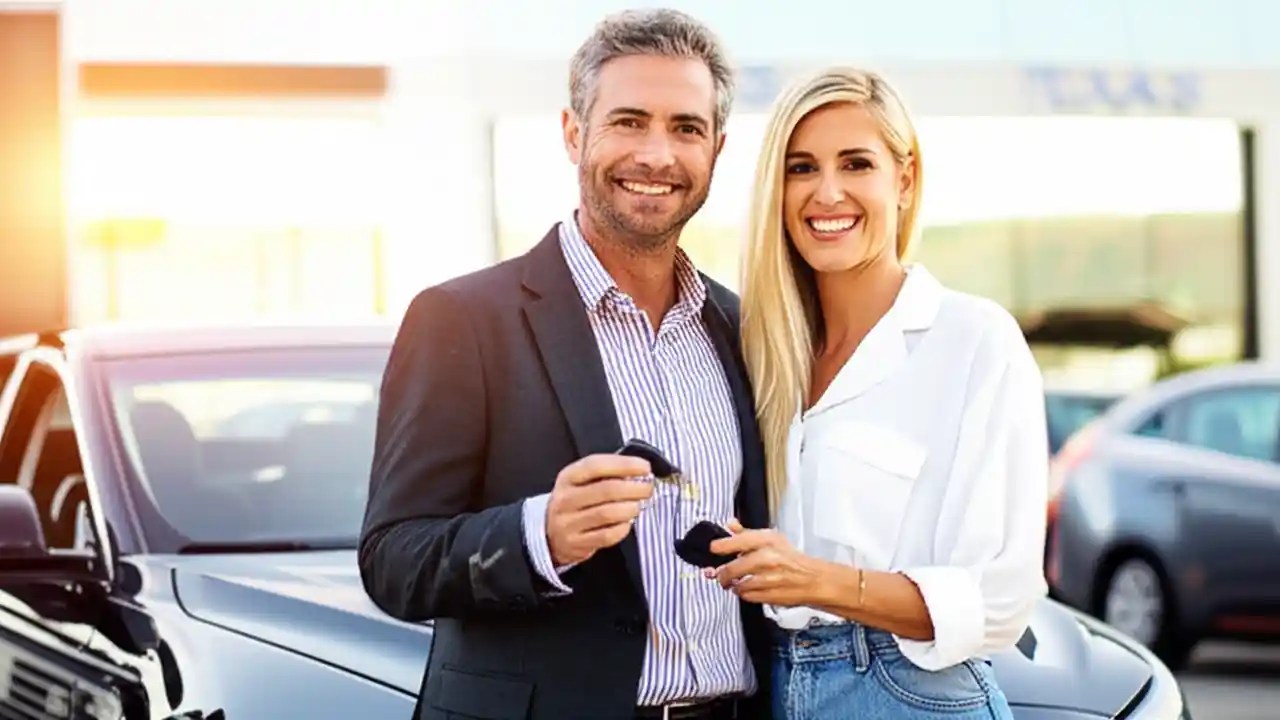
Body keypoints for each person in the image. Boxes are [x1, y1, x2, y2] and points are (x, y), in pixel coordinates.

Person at [359, 9, 771, 720]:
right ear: (573, 133)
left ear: (717, 149)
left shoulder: (740, 327)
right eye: (628, 121)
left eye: (686, 128)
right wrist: (536, 535)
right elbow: (393, 560)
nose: (657, 154)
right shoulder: (464, 319)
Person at [710, 67, 1050, 719]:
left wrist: (820, 582)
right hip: (767, 684)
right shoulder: (756, 350)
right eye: (802, 167)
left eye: (856, 163)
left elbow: (999, 601)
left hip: (907, 693)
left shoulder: (973, 341)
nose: (827, 192)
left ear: (905, 178)